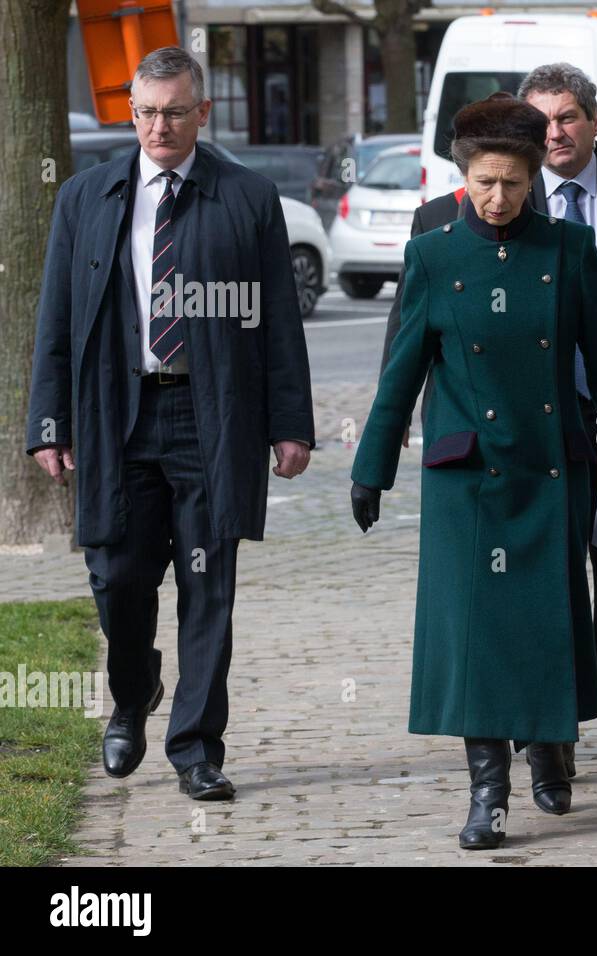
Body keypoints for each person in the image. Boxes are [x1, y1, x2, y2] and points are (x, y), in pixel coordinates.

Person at [380, 64, 597, 765]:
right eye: (541, 120)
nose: (555, 131)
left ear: (594, 121)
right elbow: (406, 349)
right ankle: (542, 722)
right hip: (521, 429)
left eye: (568, 116)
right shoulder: (475, 206)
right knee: (537, 578)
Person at [350, 93, 597, 850]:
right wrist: (372, 468)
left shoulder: (566, 251)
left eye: (513, 183)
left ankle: (551, 750)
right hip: (467, 479)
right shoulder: (433, 254)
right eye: (485, 181)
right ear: (464, 176)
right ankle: (488, 790)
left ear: (533, 179)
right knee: (478, 638)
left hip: (552, 470)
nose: (498, 198)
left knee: (548, 624)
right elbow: (402, 371)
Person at [25, 47, 315, 799]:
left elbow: (280, 321)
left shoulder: (246, 197)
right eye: (147, 112)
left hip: (212, 415)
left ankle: (196, 749)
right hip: (115, 415)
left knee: (207, 584)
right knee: (117, 574)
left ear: (202, 113)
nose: (160, 125)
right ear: (132, 114)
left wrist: (291, 423)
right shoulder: (87, 197)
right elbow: (54, 319)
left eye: (175, 112)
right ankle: (132, 694)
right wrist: (48, 422)